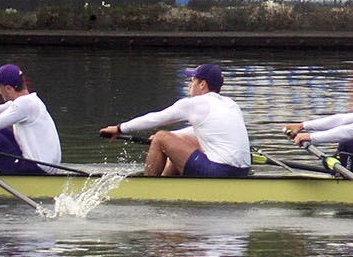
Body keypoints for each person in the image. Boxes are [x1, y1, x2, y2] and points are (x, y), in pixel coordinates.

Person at [99, 62, 252, 177]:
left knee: (160, 137)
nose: (190, 85)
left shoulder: (194, 104)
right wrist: (174, 138)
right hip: (242, 172)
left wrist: (120, 128)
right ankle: (167, 179)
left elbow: (155, 119)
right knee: (177, 140)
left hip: (219, 171)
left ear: (202, 84)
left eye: (192, 81)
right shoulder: (231, 105)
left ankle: (148, 185)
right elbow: (200, 131)